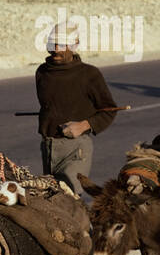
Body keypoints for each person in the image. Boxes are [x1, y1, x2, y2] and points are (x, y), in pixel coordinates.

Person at [35, 24, 118, 193]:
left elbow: (109, 109)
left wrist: (84, 125)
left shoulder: (89, 74)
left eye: (62, 45)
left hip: (76, 149)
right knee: (50, 198)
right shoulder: (42, 72)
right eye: (53, 45)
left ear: (74, 45)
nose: (56, 50)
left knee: (68, 196)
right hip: (49, 148)